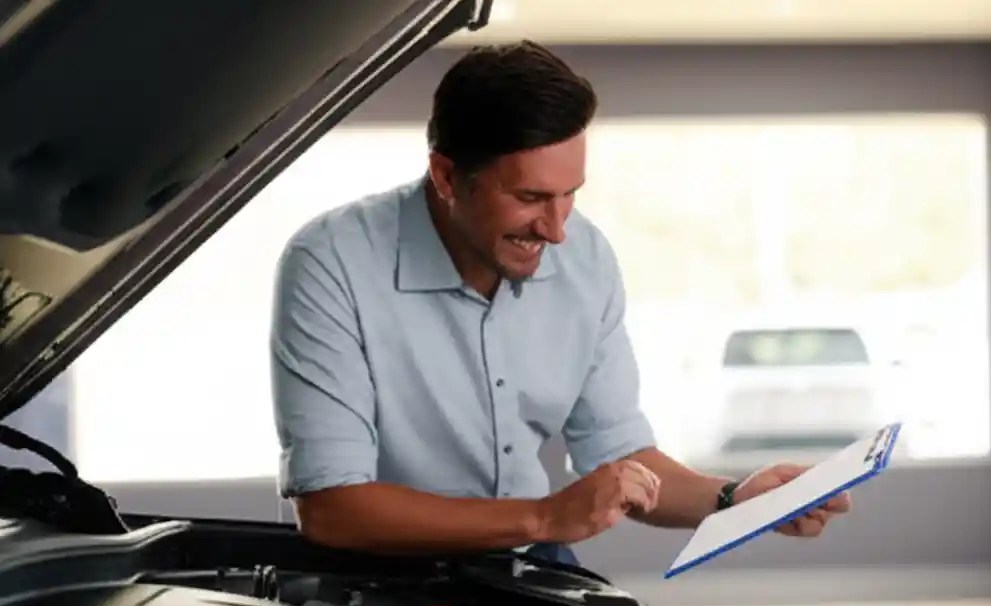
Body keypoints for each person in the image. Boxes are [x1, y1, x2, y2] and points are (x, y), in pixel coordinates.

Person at [269, 40, 851, 566]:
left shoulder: (586, 259)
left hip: (533, 562)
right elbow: (332, 509)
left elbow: (623, 457)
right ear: (446, 176)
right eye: (529, 197)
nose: (555, 229)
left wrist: (734, 498)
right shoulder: (332, 262)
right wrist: (546, 517)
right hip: (382, 576)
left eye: (569, 195)